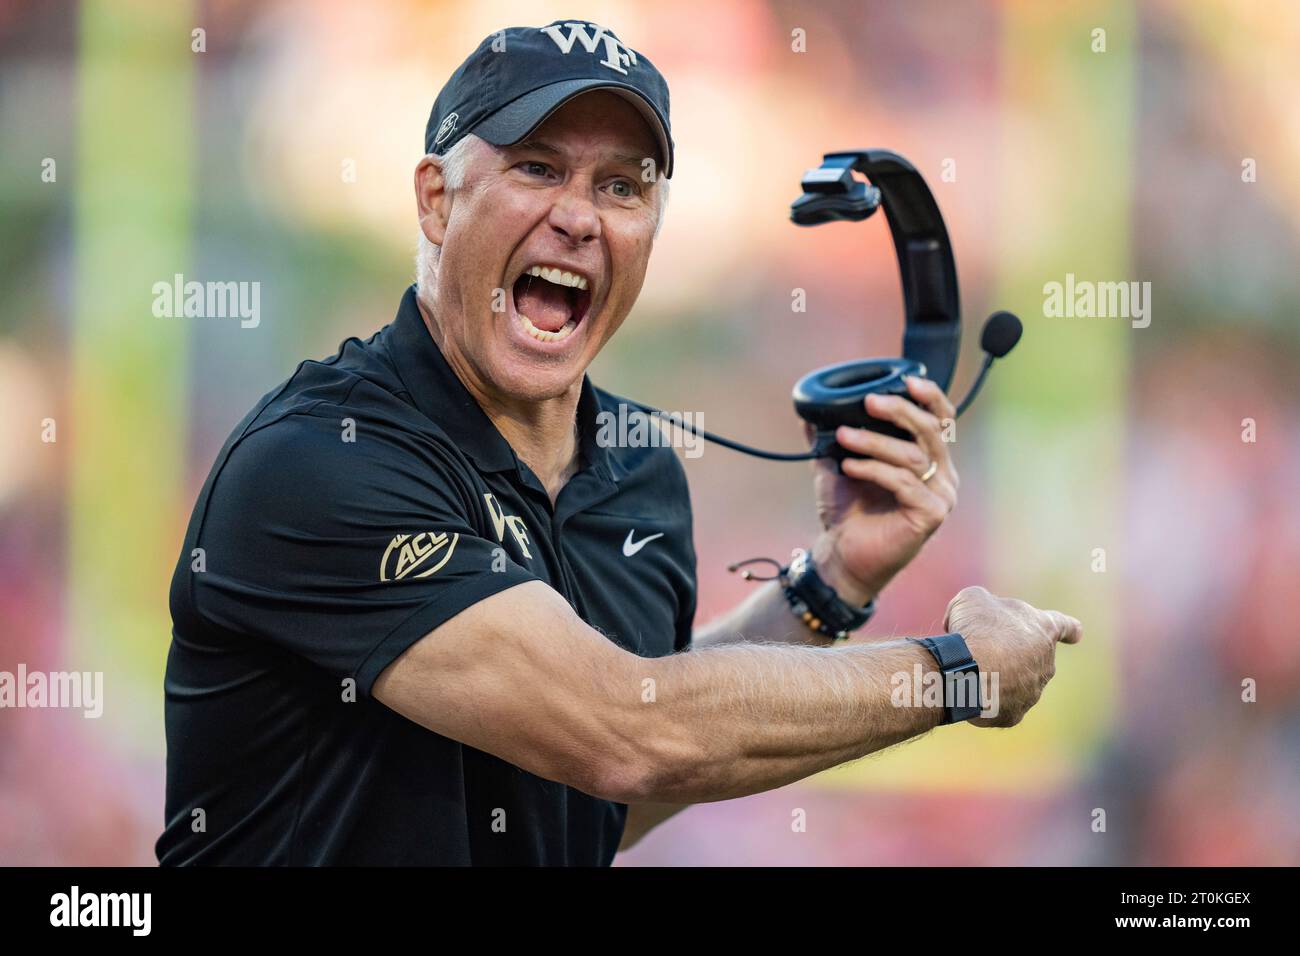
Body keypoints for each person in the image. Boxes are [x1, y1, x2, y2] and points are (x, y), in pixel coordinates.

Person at [156, 18, 1081, 866]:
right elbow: (619, 734)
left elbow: (602, 790)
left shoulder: (638, 477)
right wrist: (954, 677)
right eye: (536, 168)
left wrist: (830, 585)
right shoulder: (320, 462)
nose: (579, 215)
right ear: (436, 201)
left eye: (621, 185)